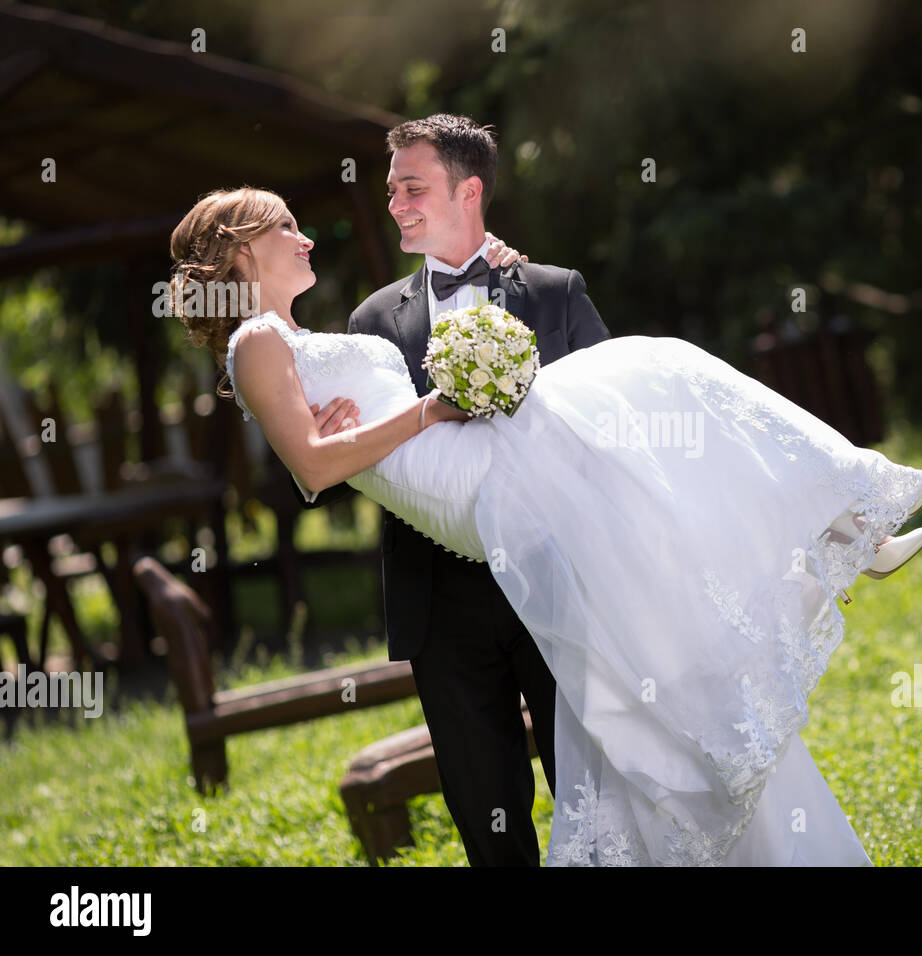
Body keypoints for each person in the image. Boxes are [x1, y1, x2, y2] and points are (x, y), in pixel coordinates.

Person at [170, 183, 922, 866]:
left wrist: (390, 407)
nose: (305, 239)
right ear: (242, 254)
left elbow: (337, 436)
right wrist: (430, 407)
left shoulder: (293, 339)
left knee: (647, 460)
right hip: (467, 483)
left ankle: (837, 535)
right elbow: (312, 468)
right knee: (653, 375)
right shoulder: (256, 341)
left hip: (465, 462)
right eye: (284, 229)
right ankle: (835, 531)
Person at [291, 115, 610, 867]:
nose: (395, 203)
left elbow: (614, 434)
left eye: (413, 187)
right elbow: (346, 471)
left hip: (556, 581)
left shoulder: (555, 293)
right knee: (484, 814)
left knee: (593, 803)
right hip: (440, 599)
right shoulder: (372, 320)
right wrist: (331, 431)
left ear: (469, 191)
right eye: (391, 188)